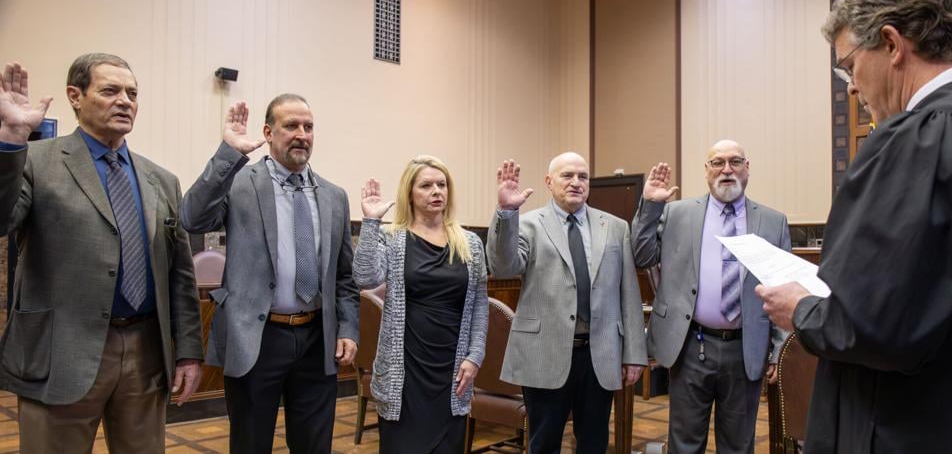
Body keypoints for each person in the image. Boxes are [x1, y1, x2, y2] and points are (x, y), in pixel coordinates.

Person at [756, 0, 952, 453]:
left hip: (916, 426)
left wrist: (802, 310)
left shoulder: (925, 139)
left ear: (892, 44)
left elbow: (876, 327)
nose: (850, 87)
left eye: (849, 65)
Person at [0, 55, 203, 452]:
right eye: (110, 91)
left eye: (132, 93)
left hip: (145, 352)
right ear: (75, 96)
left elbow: (180, 275)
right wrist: (10, 141)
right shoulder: (37, 162)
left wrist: (189, 352)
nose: (125, 101)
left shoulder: (161, 180)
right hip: (60, 353)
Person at [180, 97, 359, 453]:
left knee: (314, 446)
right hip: (257, 338)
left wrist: (348, 328)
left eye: (308, 127)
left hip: (316, 340)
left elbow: (343, 277)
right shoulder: (239, 182)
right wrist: (227, 154)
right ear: (268, 132)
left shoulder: (335, 196)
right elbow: (193, 219)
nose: (301, 135)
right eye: (291, 126)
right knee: (250, 444)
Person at [631, 140, 789, 454]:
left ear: (747, 168)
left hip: (746, 350)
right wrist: (650, 206)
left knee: (738, 445)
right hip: (690, 346)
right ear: (706, 171)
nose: (727, 169)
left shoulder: (773, 222)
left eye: (735, 162)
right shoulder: (676, 213)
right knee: (685, 443)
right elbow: (641, 255)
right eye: (718, 162)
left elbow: (783, 287)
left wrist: (778, 349)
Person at [486, 154, 647, 454]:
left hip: (600, 355)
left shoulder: (614, 227)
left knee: (594, 443)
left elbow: (629, 293)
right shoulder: (527, 224)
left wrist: (635, 352)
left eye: (583, 176)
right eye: (567, 175)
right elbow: (504, 267)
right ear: (549, 182)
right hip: (544, 352)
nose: (576, 182)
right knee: (544, 442)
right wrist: (507, 212)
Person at [352, 155, 488, 454]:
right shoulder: (393, 238)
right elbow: (364, 277)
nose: (436, 191)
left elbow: (480, 304)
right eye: (426, 185)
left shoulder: (470, 244)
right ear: (409, 193)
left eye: (442, 184)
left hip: (453, 372)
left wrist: (475, 355)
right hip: (406, 372)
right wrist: (371, 222)